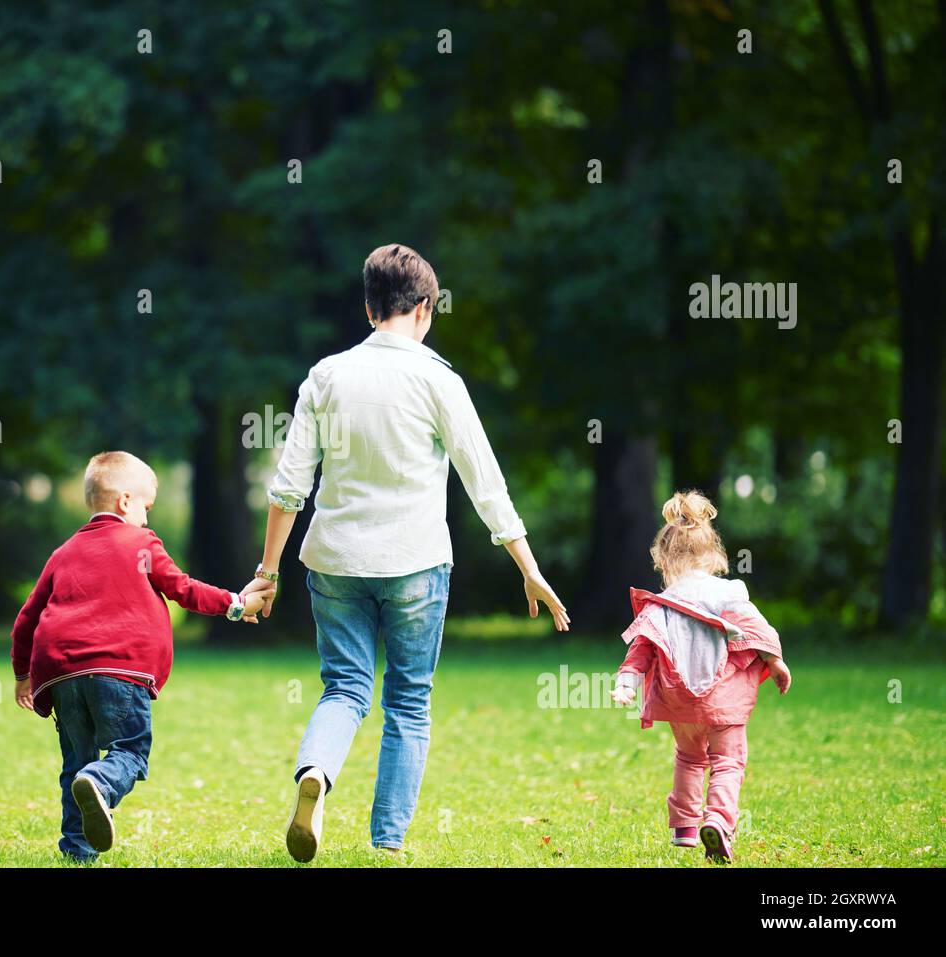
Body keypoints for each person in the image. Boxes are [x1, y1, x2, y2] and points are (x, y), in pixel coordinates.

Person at [240, 243, 569, 862]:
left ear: (368, 309)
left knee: (343, 690)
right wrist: (530, 569)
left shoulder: (326, 376)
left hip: (334, 562)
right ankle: (386, 843)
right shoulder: (438, 379)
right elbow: (485, 482)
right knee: (409, 701)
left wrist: (267, 572)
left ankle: (317, 771)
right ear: (425, 308)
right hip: (416, 565)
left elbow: (288, 485)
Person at [10, 450, 264, 862]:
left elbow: (26, 619)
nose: (148, 518)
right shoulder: (141, 542)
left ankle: (78, 849)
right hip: (120, 669)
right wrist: (235, 603)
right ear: (125, 502)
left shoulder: (64, 553)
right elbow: (183, 588)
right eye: (146, 507)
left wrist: (23, 674)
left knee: (76, 760)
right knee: (128, 752)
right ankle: (101, 782)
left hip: (61, 674)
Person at [610, 489, 791, 863]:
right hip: (721, 703)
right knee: (727, 761)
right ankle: (719, 823)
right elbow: (756, 628)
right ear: (714, 555)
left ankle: (685, 829)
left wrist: (626, 684)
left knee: (690, 759)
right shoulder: (727, 594)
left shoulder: (663, 604)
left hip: (680, 706)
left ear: (662, 559)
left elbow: (640, 650)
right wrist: (775, 662)